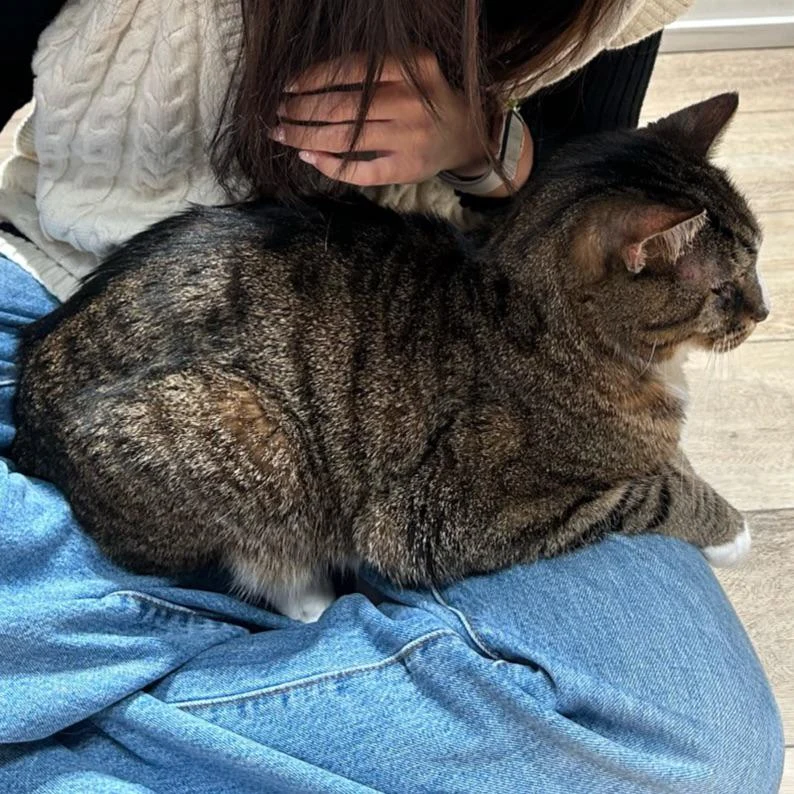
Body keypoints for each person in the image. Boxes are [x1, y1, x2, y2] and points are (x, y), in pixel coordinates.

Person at [0, 2, 784, 791]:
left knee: (707, 749)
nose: (758, 314)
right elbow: (434, 533)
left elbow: (598, 177)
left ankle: (104, 706)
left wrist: (485, 148)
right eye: (732, 292)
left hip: (417, 298)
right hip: (75, 293)